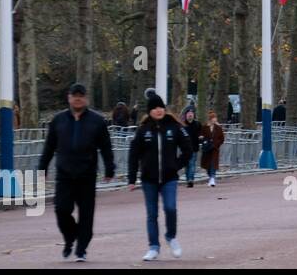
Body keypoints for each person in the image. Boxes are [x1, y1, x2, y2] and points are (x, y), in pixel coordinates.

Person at [39, 83, 116, 262]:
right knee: (61, 210)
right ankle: (70, 237)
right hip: (64, 174)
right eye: (75, 95)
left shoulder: (97, 121)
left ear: (86, 98)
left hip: (86, 174)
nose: (78, 98)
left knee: (86, 214)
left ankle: (81, 248)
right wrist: (42, 167)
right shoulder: (58, 120)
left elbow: (106, 146)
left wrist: (109, 168)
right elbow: (49, 146)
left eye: (81, 95)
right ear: (69, 97)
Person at [127, 89, 193, 262]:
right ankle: (153, 247)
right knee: (152, 214)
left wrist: (176, 165)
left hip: (169, 178)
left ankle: (171, 236)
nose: (158, 110)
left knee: (170, 208)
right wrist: (131, 178)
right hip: (149, 179)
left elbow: (187, 149)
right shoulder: (143, 131)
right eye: (155, 108)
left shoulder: (174, 127)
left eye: (161, 107)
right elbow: (133, 154)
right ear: (149, 111)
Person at [200, 110, 225, 187]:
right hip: (207, 149)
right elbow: (201, 135)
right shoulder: (204, 127)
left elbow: (222, 138)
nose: (215, 119)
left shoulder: (218, 128)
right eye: (213, 118)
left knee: (213, 164)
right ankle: (210, 176)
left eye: (215, 118)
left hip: (215, 149)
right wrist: (202, 138)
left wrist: (217, 144)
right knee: (207, 165)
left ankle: (212, 178)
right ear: (210, 119)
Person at [181, 109, 202, 188]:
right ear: (186, 115)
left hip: (194, 147)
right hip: (185, 149)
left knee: (192, 164)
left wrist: (201, 137)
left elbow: (201, 133)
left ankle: (191, 180)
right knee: (186, 165)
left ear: (194, 115)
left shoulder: (197, 124)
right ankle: (188, 179)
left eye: (191, 113)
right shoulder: (182, 125)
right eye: (188, 114)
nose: (190, 115)